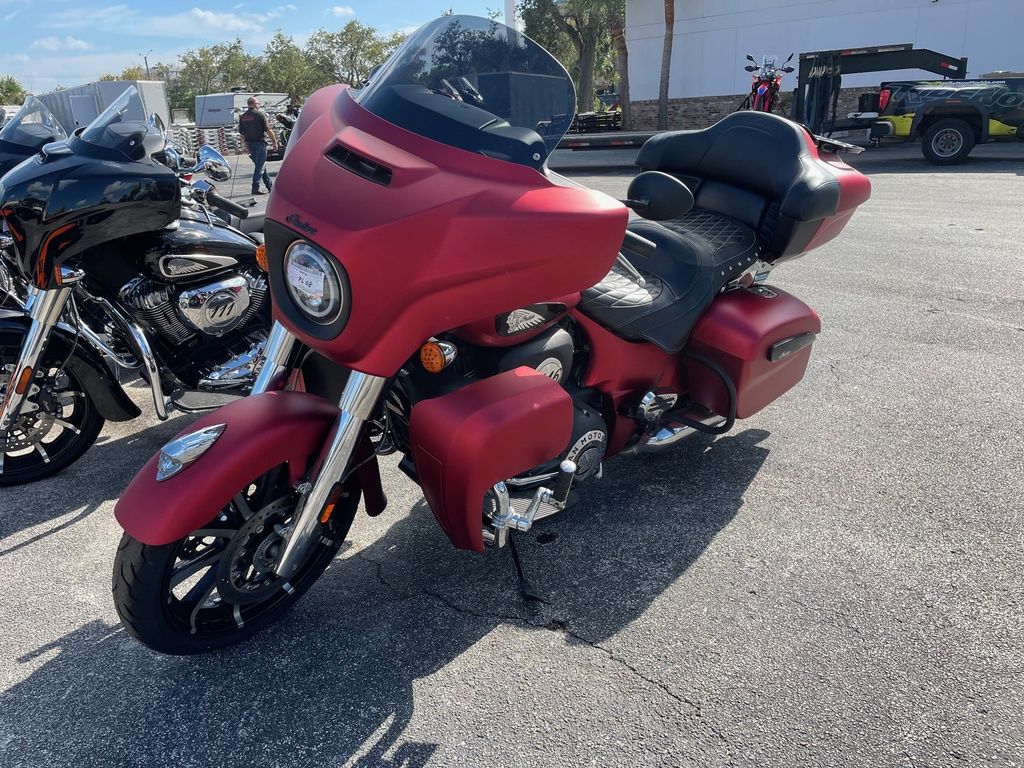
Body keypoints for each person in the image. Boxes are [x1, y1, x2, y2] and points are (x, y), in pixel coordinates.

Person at [238, 96, 279, 195]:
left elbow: (242, 133)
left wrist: (245, 146)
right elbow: (268, 130)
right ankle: (255, 188)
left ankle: (270, 187)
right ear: (253, 104)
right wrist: (274, 142)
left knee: (260, 166)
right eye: (258, 103)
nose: (259, 105)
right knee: (260, 167)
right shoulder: (260, 115)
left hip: (249, 144)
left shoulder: (243, 116)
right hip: (259, 143)